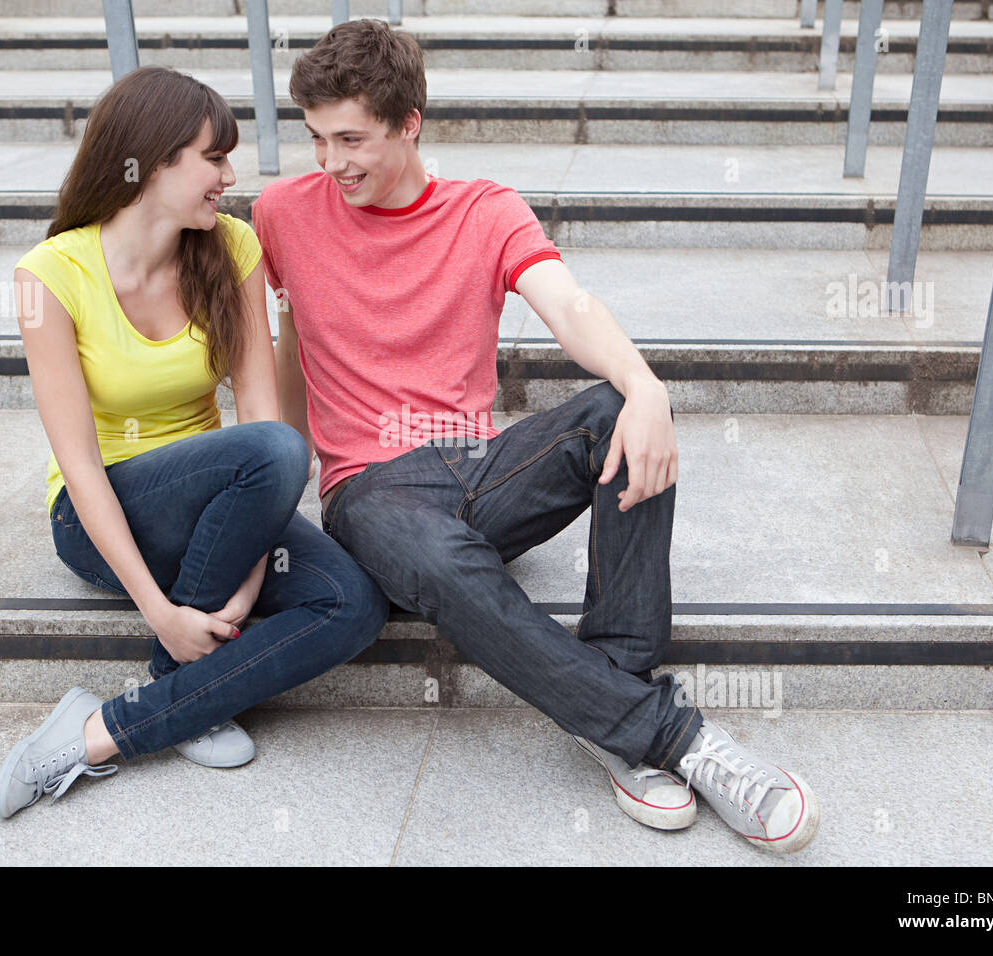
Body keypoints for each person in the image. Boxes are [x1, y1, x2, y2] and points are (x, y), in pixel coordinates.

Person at [253, 20, 820, 852]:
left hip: (478, 466)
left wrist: (645, 385)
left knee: (615, 414)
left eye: (352, 139)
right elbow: (252, 330)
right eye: (315, 139)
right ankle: (674, 739)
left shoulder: (484, 209)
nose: (331, 163)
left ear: (409, 124)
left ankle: (614, 697)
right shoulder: (282, 212)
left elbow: (567, 304)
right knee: (442, 559)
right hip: (371, 489)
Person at [0, 67, 389, 820]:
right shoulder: (48, 276)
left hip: (230, 506)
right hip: (104, 510)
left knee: (353, 603)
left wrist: (243, 584)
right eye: (213, 158)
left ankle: (113, 724)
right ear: (152, 160)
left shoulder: (231, 248)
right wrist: (162, 614)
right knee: (273, 452)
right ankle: (176, 681)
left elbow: (263, 417)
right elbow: (78, 464)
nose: (229, 177)